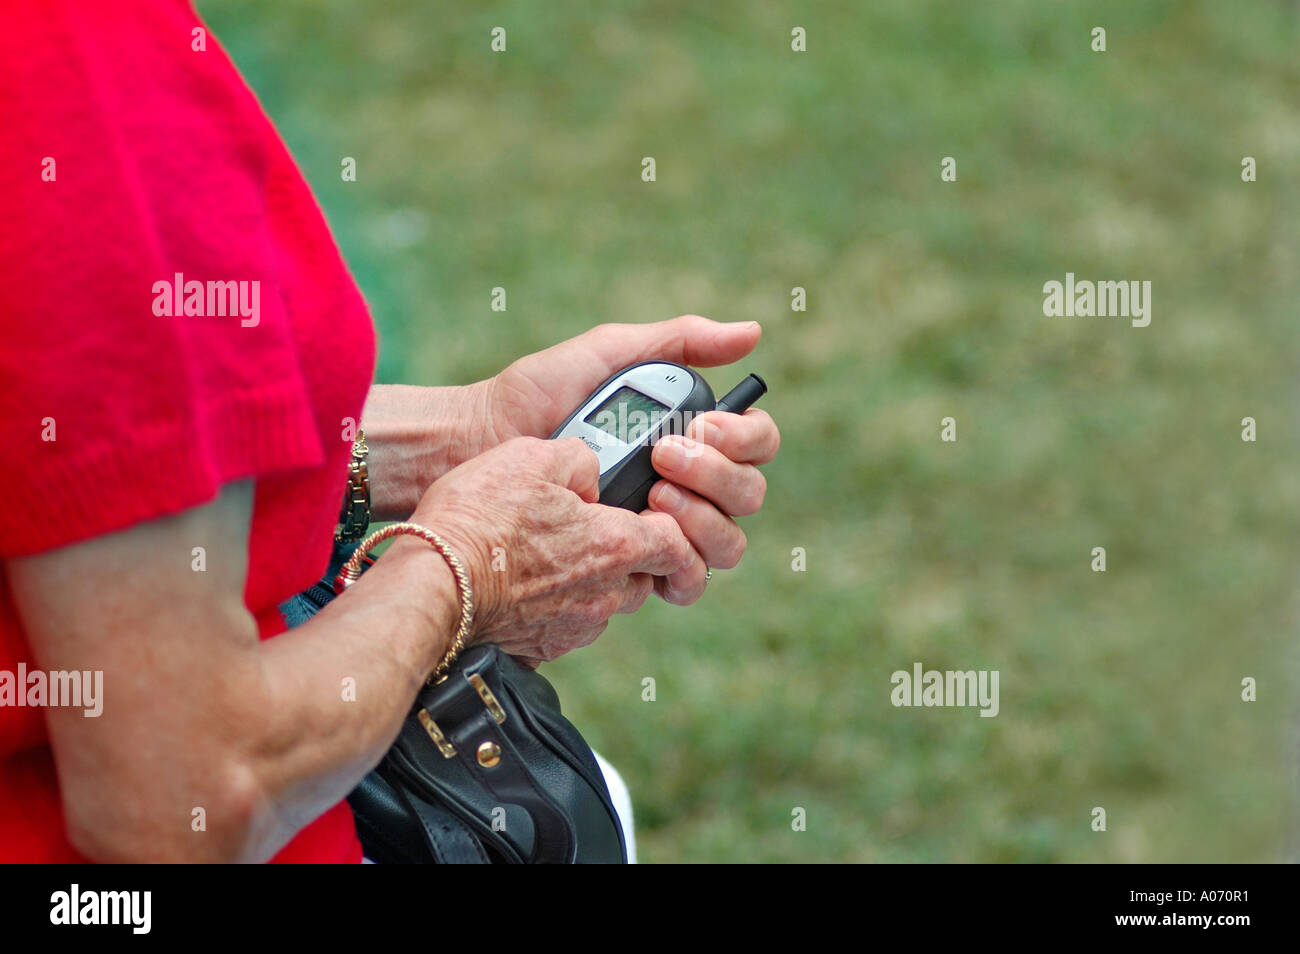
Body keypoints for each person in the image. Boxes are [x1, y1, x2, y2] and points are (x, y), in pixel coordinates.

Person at [0, 1, 779, 862]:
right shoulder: (74, 72)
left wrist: (454, 436)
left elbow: (71, 453)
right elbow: (186, 799)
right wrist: (462, 566)